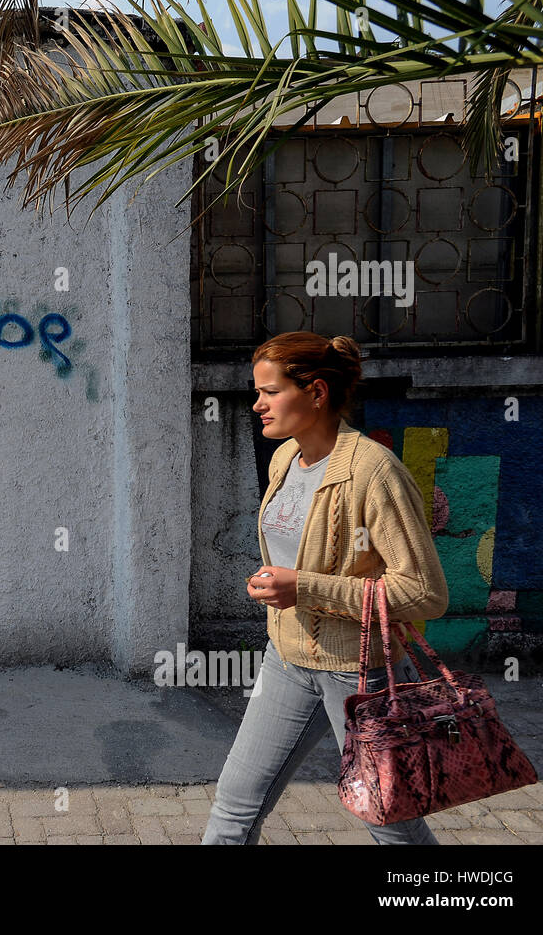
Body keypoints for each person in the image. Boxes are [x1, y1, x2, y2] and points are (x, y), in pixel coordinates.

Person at [200, 331, 449, 845]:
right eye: (257, 391)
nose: (257, 403)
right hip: (286, 661)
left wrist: (307, 588)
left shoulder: (374, 473)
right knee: (234, 805)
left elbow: (425, 593)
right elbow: (299, 556)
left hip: (359, 675)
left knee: (391, 823)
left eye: (270, 391)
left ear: (315, 392)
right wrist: (277, 586)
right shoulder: (284, 459)